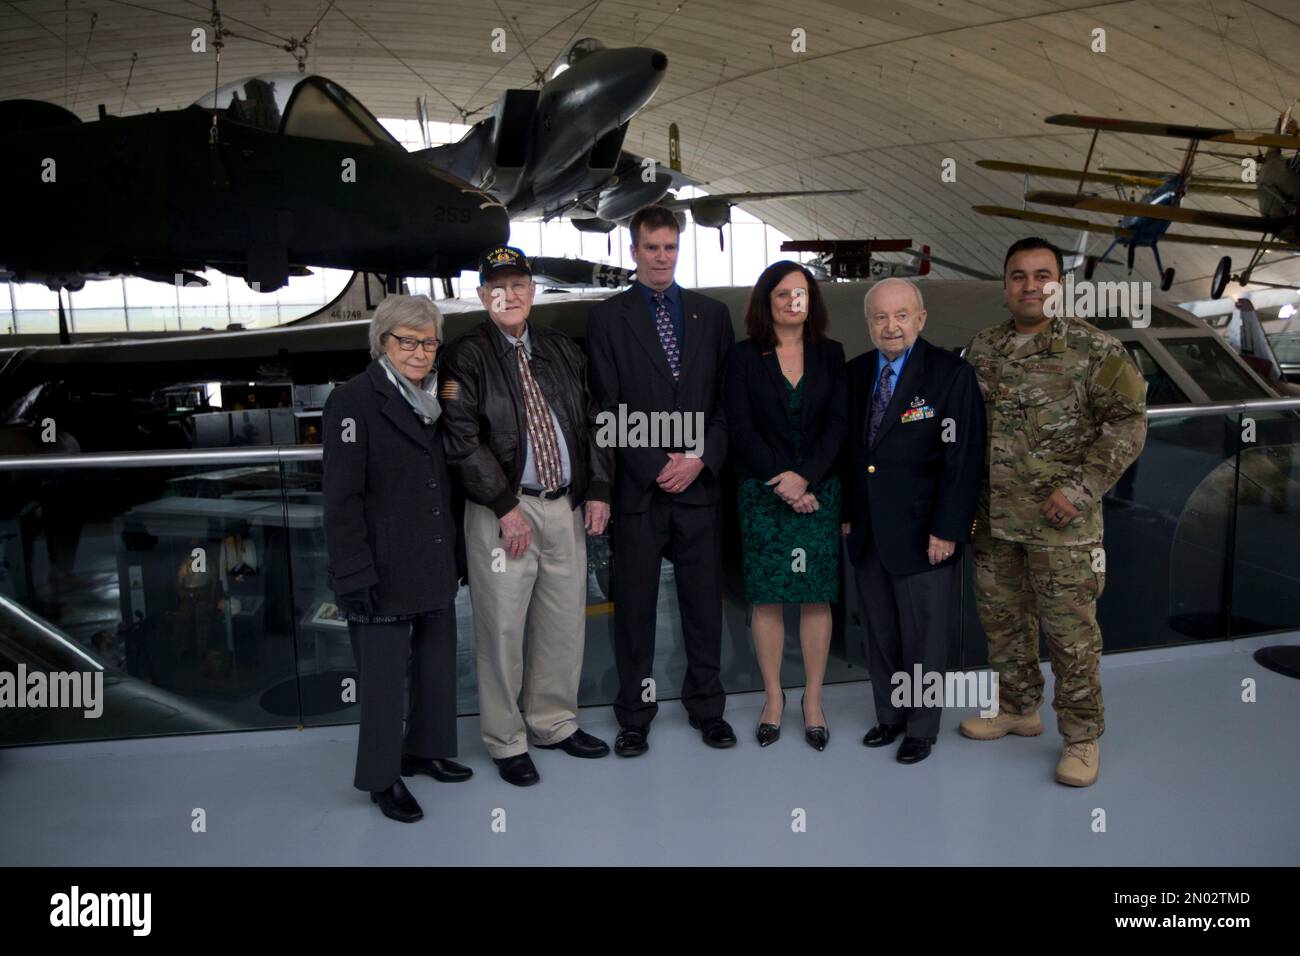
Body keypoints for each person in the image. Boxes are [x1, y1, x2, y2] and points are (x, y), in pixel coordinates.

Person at [961, 237, 1147, 787]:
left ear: (1059, 284)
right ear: (1005, 285)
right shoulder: (983, 349)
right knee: (1004, 624)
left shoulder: (1095, 351)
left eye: (1042, 275)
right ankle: (1019, 709)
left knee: (1071, 636)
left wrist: (1083, 488)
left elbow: (1129, 422)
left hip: (1062, 525)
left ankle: (1082, 737)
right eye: (1018, 275)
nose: (1030, 285)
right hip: (994, 522)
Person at [439, 245, 613, 787]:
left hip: (563, 505)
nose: (509, 295)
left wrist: (601, 486)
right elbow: (462, 440)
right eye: (497, 287)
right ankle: (506, 738)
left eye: (518, 285)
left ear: (533, 291)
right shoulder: (465, 356)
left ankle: (554, 723)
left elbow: (596, 420)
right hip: (502, 512)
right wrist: (504, 506)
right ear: (482, 295)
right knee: (502, 629)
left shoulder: (561, 348)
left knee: (563, 625)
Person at [586, 204, 736, 756]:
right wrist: (655, 464)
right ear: (633, 251)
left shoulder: (711, 315)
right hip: (639, 492)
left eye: (670, 247)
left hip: (699, 490)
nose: (661, 258)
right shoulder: (607, 319)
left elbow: (726, 404)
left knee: (703, 608)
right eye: (651, 248)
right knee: (635, 612)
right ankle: (634, 715)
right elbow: (606, 407)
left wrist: (698, 459)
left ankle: (707, 708)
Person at [322, 294, 471, 824]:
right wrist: (352, 571)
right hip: (381, 565)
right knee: (385, 681)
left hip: (430, 556)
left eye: (428, 342)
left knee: (435, 665)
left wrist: (455, 553)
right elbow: (342, 499)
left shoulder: (433, 397)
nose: (419, 351)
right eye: (406, 341)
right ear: (382, 342)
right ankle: (383, 778)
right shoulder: (353, 400)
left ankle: (425, 749)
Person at [842, 278, 985, 764]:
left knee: (925, 638)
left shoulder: (949, 374)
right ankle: (890, 717)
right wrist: (846, 516)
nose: (891, 326)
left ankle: (921, 728)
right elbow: (848, 453)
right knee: (880, 634)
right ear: (869, 324)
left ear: (920, 319)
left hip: (927, 535)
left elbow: (963, 459)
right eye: (881, 317)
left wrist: (948, 529)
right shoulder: (856, 373)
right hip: (868, 533)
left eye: (902, 315)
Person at [724, 260, 845, 750]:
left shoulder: (831, 354)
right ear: (765, 302)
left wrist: (806, 477)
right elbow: (740, 427)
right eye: (783, 294)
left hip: (819, 492)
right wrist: (785, 482)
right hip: (762, 492)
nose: (793, 302)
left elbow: (838, 424)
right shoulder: (742, 357)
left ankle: (812, 701)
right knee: (767, 598)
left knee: (816, 597)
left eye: (802, 294)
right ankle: (773, 698)